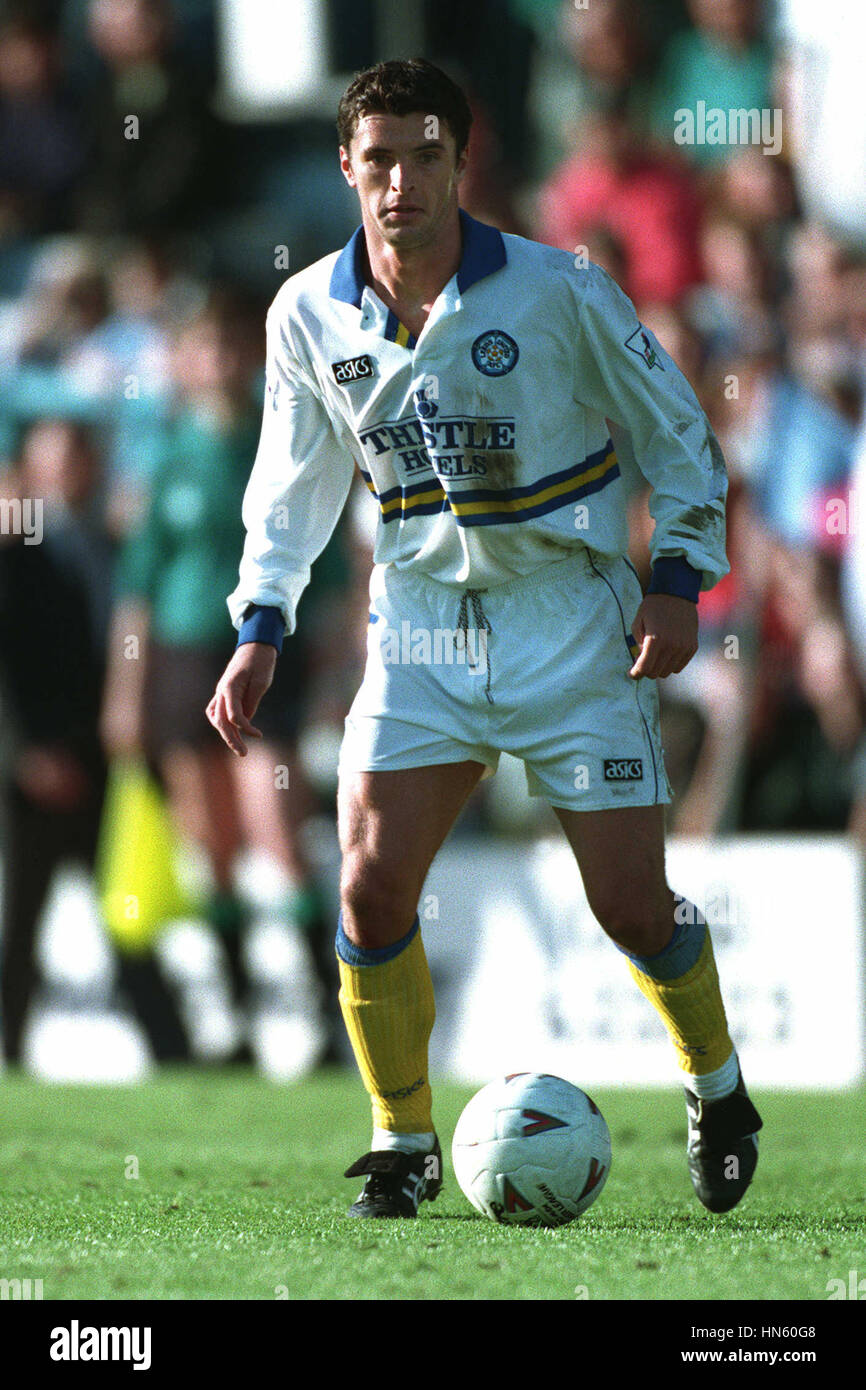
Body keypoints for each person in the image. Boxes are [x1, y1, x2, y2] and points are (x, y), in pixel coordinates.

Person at [207, 59, 762, 1218]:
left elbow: (676, 431)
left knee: (631, 909)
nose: (399, 181)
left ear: (463, 161)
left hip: (568, 623)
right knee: (367, 887)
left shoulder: (558, 288)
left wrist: (677, 577)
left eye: (423, 154)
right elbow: (291, 484)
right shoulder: (306, 311)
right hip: (417, 630)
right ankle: (401, 1143)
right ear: (347, 169)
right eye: (378, 159)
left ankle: (716, 1089)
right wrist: (260, 621)